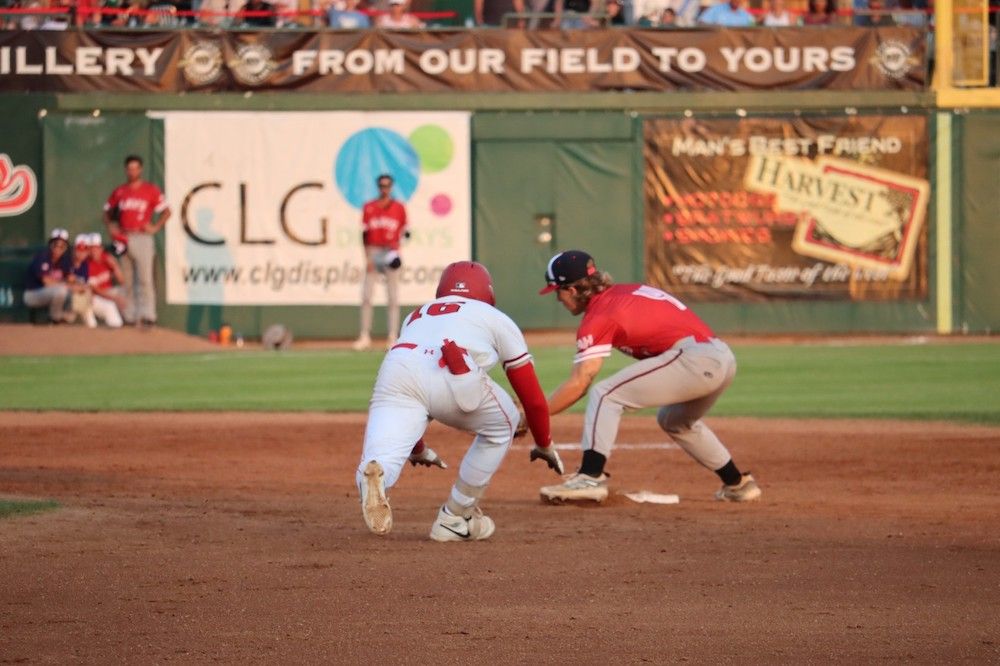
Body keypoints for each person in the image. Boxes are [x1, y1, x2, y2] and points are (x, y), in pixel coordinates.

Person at [356, 261, 563, 541]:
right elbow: (533, 399)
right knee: (503, 426)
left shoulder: (416, 315)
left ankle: (378, 469)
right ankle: (454, 516)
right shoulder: (494, 317)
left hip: (397, 367)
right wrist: (544, 443)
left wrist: (416, 450)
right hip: (453, 370)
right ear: (488, 291)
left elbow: (414, 383)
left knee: (384, 453)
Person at [536, 250, 762, 504]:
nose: (558, 299)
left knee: (605, 394)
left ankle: (590, 477)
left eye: (558, 291)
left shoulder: (600, 314)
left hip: (696, 359)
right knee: (675, 420)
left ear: (574, 289)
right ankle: (737, 484)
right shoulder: (626, 293)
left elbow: (581, 381)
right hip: (720, 357)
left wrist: (533, 416)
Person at [103, 154, 171, 327]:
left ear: (140, 169)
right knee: (127, 278)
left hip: (142, 236)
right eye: (130, 168)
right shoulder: (120, 191)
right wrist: (111, 227)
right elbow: (107, 212)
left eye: (136, 168)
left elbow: (166, 211)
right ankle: (130, 315)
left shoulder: (150, 190)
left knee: (145, 278)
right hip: (123, 237)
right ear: (126, 170)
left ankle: (148, 315)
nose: (133, 171)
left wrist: (155, 227)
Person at [353, 173, 408, 351]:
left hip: (391, 251)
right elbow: (364, 234)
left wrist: (398, 251)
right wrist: (367, 257)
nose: (384, 188)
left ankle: (392, 336)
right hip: (374, 251)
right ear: (378, 187)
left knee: (393, 297)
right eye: (382, 185)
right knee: (367, 295)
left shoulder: (399, 208)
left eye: (387, 185)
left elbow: (406, 232)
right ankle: (364, 335)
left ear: (391, 187)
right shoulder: (369, 207)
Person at [23, 228, 73, 324]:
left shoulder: (65, 260)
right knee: (62, 290)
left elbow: (71, 279)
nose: (58, 248)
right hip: (33, 294)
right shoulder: (42, 257)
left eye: (62, 246)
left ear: (66, 247)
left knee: (73, 293)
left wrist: (75, 284)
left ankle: (66, 319)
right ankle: (55, 318)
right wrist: (66, 284)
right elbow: (46, 282)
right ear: (50, 245)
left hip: (50, 293)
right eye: (55, 245)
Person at [82, 232, 126, 328]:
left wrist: (115, 266)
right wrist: (115, 298)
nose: (94, 251)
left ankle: (129, 321)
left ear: (101, 248)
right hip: (95, 298)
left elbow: (122, 281)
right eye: (91, 248)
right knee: (110, 307)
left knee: (126, 293)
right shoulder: (86, 264)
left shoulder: (106, 258)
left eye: (96, 247)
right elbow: (95, 290)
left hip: (108, 293)